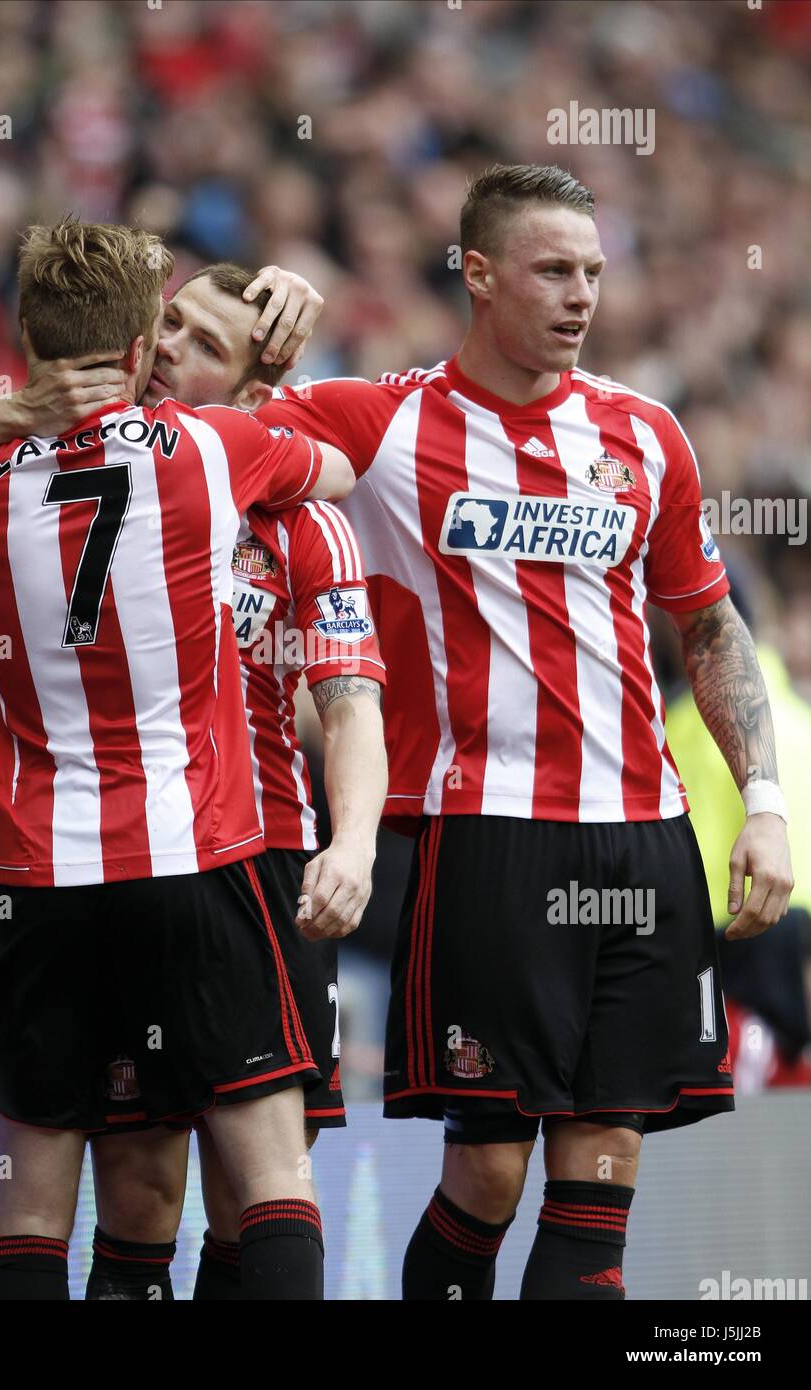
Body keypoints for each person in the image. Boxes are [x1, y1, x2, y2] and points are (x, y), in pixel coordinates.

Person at [247, 164, 793, 1301]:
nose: (581, 295)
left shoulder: (643, 435)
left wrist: (766, 807)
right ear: (478, 274)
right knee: (488, 1170)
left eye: (593, 271)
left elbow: (709, 626)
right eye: (553, 270)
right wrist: (265, 325)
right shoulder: (387, 419)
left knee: (603, 1165)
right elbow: (209, 443)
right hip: (488, 834)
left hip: (644, 838)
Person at [0, 257, 389, 1301]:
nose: (173, 350)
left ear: (250, 379)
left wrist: (352, 839)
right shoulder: (84, 457)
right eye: (171, 323)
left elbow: (353, 708)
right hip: (156, 864)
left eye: (206, 341)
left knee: (247, 1195)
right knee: (141, 1185)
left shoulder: (298, 522)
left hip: (265, 865)